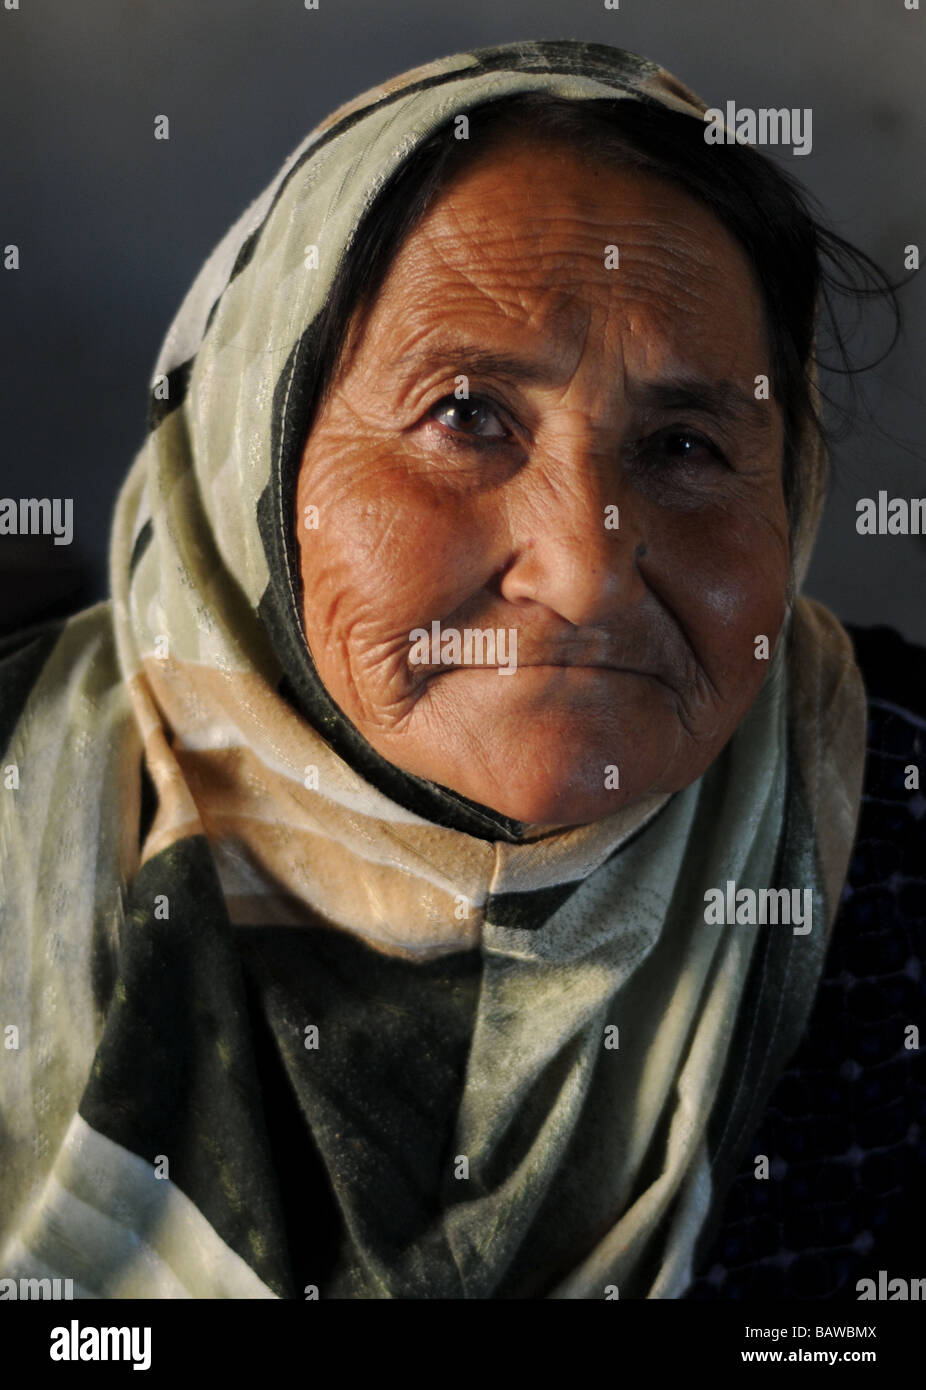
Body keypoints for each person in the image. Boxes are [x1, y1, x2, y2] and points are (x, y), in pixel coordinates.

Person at [0, 38, 922, 1301]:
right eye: (465, 414)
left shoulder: (895, 834)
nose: (586, 574)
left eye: (685, 444)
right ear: (250, 454)